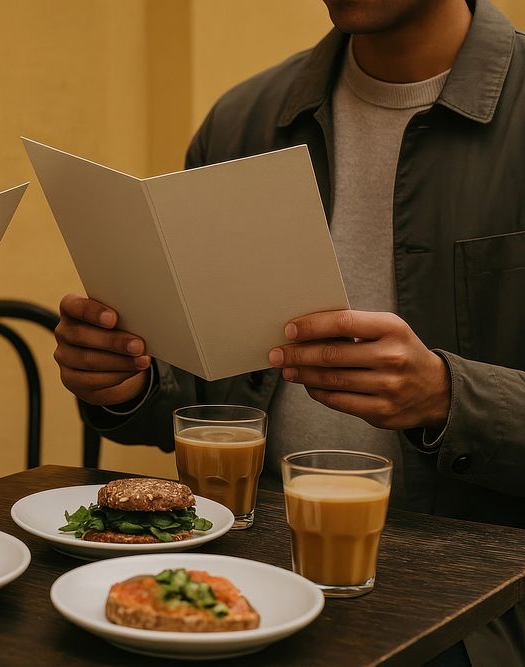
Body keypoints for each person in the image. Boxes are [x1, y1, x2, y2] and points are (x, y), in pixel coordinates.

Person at [53, 0, 524, 664]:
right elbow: (191, 392)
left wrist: (449, 398)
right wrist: (128, 381)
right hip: (247, 571)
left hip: (478, 608)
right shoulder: (243, 123)